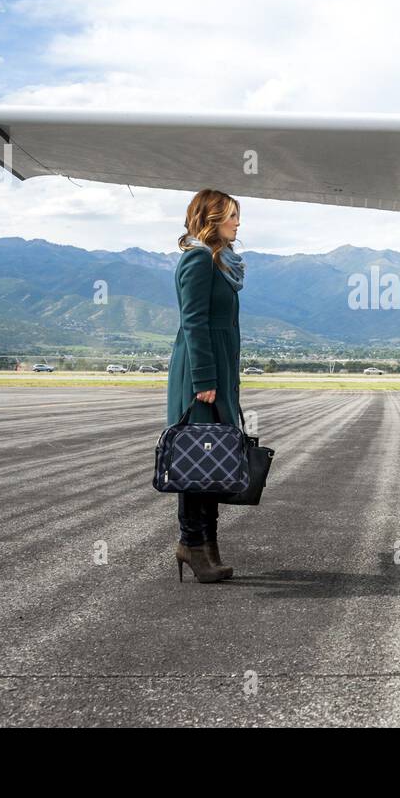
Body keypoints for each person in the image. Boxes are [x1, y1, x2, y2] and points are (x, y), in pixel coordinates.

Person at [166, 189, 245, 583]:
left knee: (212, 461)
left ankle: (207, 547)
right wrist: (205, 380)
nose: (237, 223)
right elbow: (193, 321)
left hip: (217, 373)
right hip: (202, 376)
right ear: (211, 219)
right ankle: (191, 544)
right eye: (231, 215)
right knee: (195, 458)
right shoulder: (198, 260)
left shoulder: (219, 262)